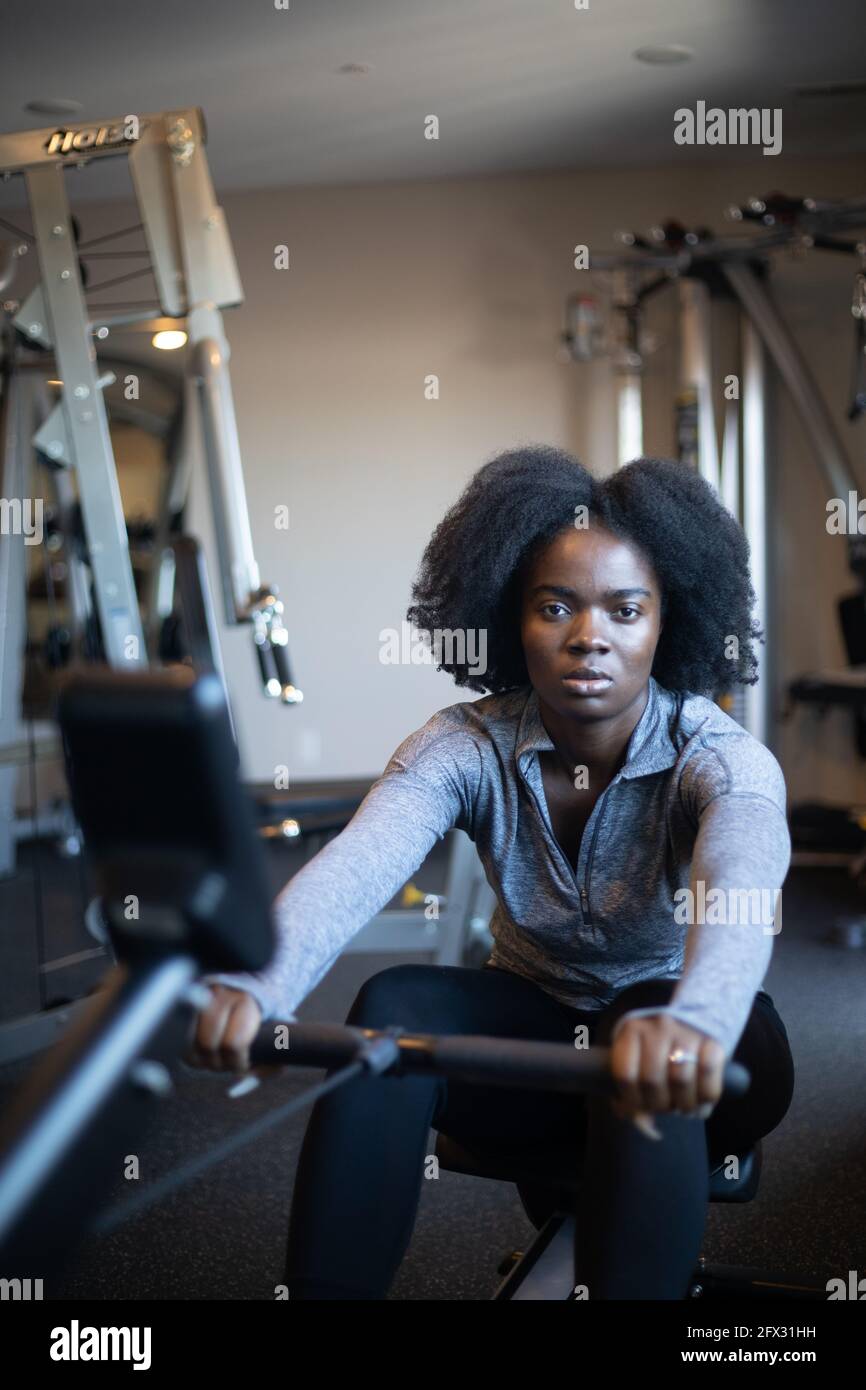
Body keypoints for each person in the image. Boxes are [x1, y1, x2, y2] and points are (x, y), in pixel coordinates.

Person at [190, 445, 795, 1300]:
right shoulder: (462, 745)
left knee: (643, 1029)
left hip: (698, 1047)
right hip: (540, 1045)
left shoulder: (718, 757)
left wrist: (698, 1018)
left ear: (669, 621)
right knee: (395, 1008)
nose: (590, 637)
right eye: (557, 607)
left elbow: (740, 880)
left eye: (626, 610)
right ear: (514, 617)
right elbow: (355, 866)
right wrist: (257, 984)